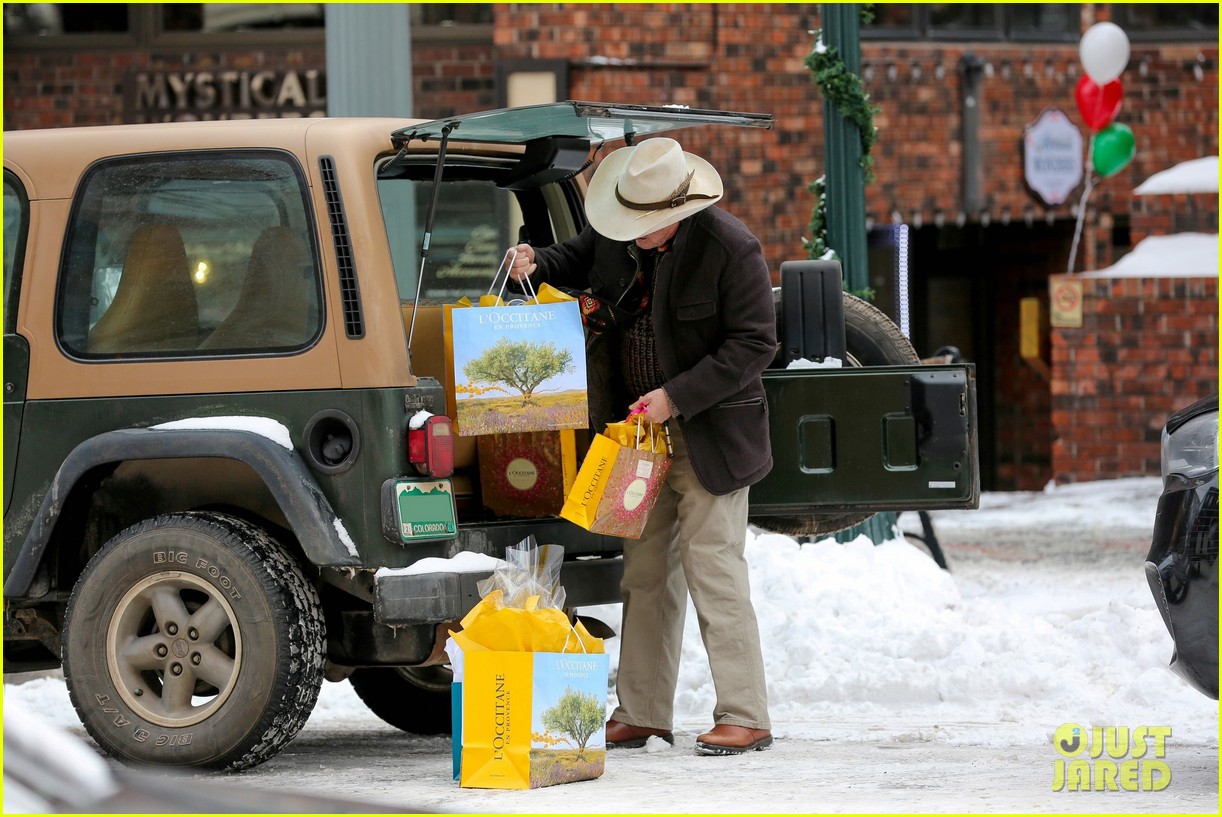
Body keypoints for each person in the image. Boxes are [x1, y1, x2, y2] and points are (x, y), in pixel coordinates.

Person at [506, 137, 776, 755]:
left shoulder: (733, 248)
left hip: (710, 433)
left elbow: (755, 344)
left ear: (680, 212)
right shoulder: (616, 228)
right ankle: (644, 712)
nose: (637, 235)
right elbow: (571, 257)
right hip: (637, 434)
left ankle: (746, 713)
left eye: (649, 227)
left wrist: (675, 397)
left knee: (715, 568)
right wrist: (535, 263)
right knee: (645, 572)